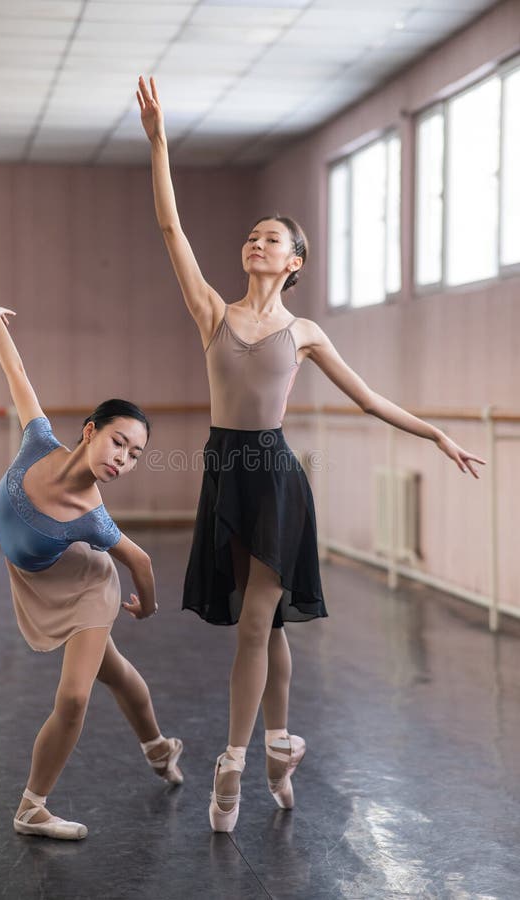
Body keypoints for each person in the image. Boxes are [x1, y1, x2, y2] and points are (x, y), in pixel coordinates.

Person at [136, 76, 486, 833]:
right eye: (251, 236)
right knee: (266, 626)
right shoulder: (212, 313)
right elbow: (172, 233)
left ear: (293, 261)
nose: (255, 243)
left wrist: (436, 434)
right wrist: (159, 144)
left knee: (259, 624)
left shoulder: (306, 333)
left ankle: (231, 765)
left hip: (275, 477)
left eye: (271, 238)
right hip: (223, 471)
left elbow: (367, 399)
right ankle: (276, 744)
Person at [0, 305, 183, 841]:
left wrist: (148, 606)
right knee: (114, 672)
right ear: (90, 431)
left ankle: (32, 807)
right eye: (118, 442)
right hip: (41, 580)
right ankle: (159, 747)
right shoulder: (37, 441)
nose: (123, 459)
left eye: (136, 455)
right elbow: (17, 374)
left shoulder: (93, 518)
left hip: (88, 586)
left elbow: (139, 560)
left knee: (74, 696)